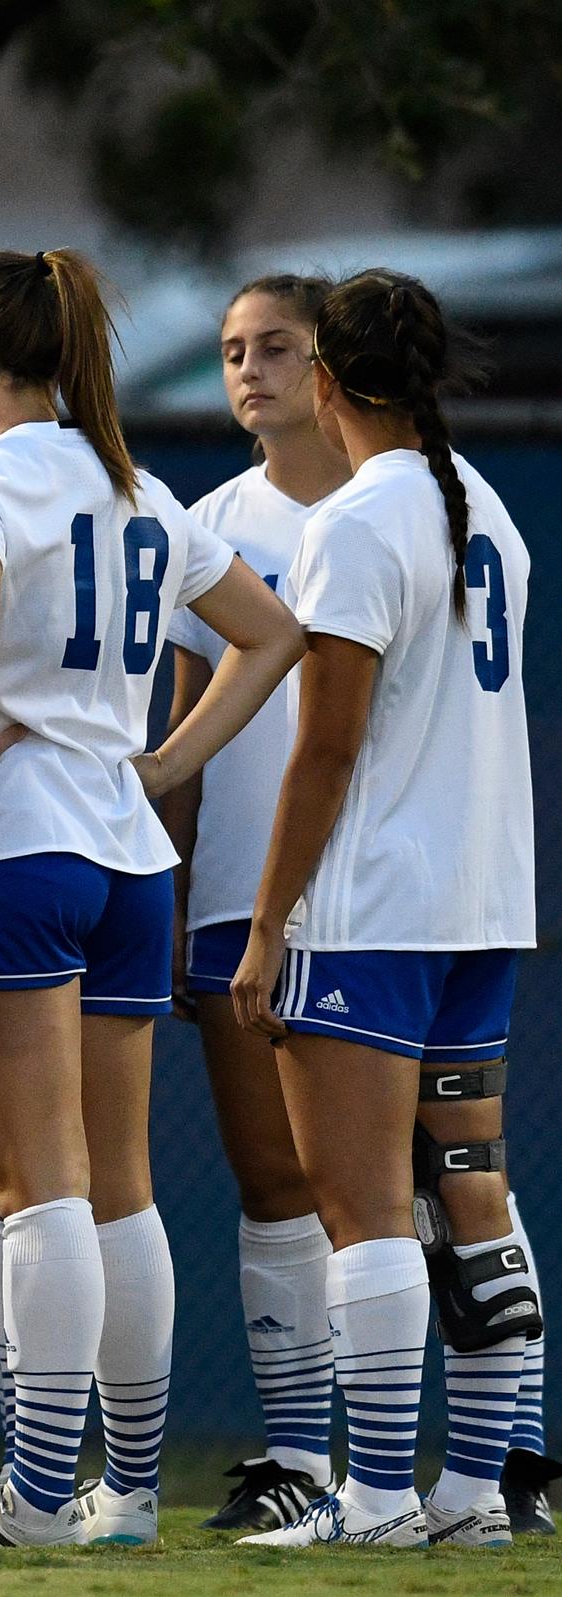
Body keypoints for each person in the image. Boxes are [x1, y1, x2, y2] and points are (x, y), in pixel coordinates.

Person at [0, 248, 303, 1550]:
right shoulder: (136, 487)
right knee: (115, 1184)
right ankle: (123, 1493)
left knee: (38, 1188)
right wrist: (165, 764)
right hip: (131, 858)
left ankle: (30, 1495)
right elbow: (271, 630)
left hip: (17, 853)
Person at [230, 270, 538, 1551]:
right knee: (471, 1194)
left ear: (327, 380)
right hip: (482, 906)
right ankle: (471, 1493)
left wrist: (263, 927)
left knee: (359, 1213)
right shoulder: (495, 514)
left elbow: (326, 748)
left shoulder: (354, 523)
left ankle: (369, 1497)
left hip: (370, 917)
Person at [154, 274, 350, 1535]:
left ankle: (488, 1455)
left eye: (275, 347)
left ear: (330, 360)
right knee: (273, 1174)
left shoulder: (414, 503)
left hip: (377, 888)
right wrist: (172, 890)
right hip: (237, 888)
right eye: (229, 352)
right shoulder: (205, 522)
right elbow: (179, 721)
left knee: (430, 1180)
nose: (247, 372)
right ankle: (300, 1456)